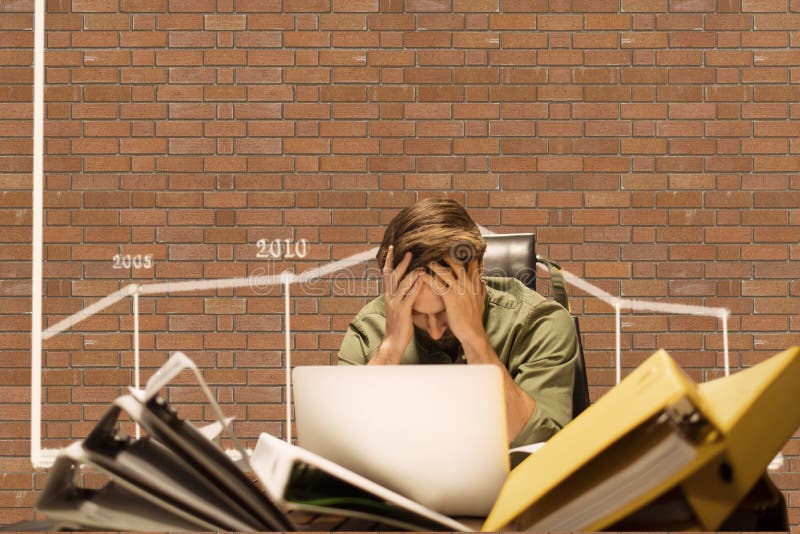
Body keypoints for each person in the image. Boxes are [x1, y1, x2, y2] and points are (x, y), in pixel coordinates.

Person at [338, 198, 579, 447]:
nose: (434, 330)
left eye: (445, 312)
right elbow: (343, 447)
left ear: (478, 271)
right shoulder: (369, 329)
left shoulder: (540, 322)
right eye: (417, 314)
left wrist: (474, 339)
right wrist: (390, 349)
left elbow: (542, 448)